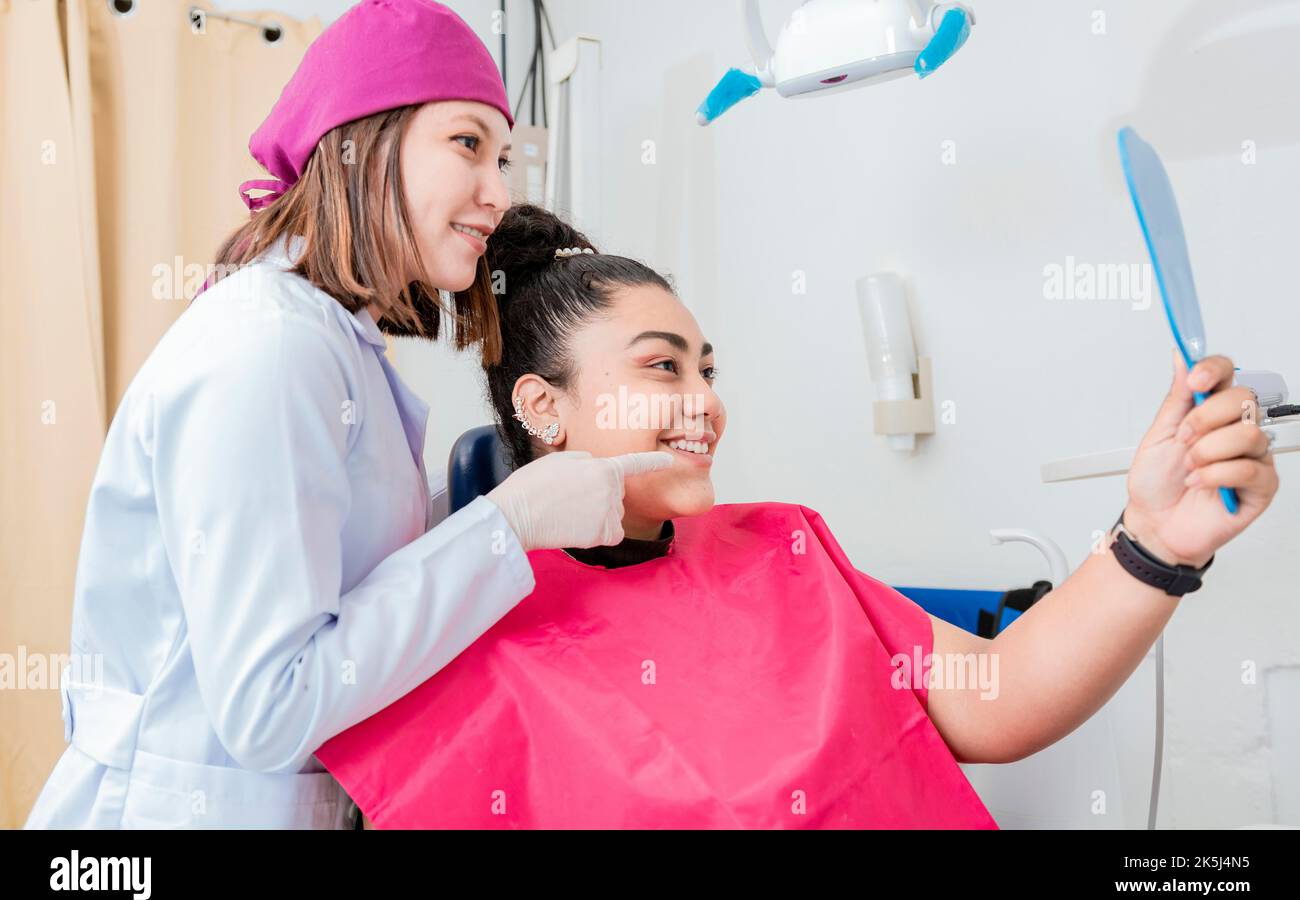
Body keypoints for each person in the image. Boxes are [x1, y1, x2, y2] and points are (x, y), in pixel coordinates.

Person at [315, 205, 1280, 829]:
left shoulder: (782, 547)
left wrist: (1156, 539)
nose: (703, 400)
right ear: (542, 408)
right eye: (662, 367)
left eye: (706, 369)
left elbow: (1001, 695)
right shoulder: (461, 625)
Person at [24, 1, 667, 830]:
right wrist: (506, 526)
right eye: (468, 142)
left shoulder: (333, 342)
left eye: (505, 157)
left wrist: (482, 517)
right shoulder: (269, 347)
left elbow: (336, 587)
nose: (499, 194)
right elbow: (270, 708)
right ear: (362, 139)